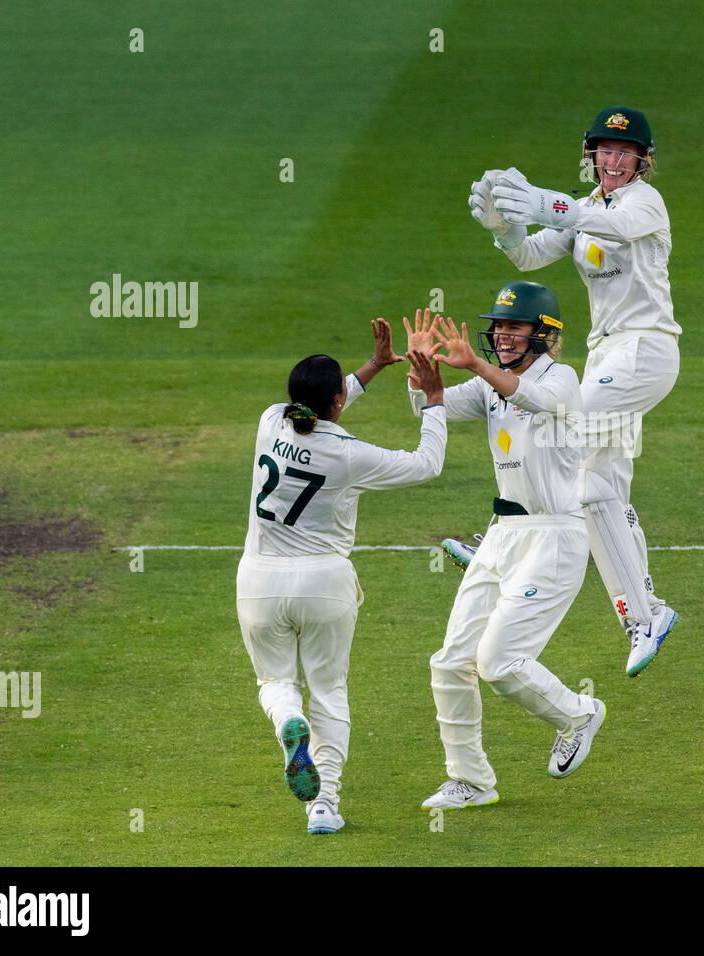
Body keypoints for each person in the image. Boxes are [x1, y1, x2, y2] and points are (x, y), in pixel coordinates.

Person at [461, 105, 681, 677]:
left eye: (623, 153)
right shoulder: (588, 210)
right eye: (603, 152)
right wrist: (504, 226)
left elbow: (613, 227)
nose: (612, 161)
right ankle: (646, 613)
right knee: (595, 487)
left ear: (641, 161)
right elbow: (530, 255)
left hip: (646, 349)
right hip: (609, 353)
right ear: (593, 157)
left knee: (556, 420)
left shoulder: (643, 204)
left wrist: (540, 201)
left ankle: (500, 542)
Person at [236, 318, 446, 834]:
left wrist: (371, 368)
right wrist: (435, 400)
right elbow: (427, 465)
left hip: (260, 582)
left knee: (276, 682)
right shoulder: (349, 456)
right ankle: (324, 805)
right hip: (326, 583)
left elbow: (320, 407)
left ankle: (290, 720)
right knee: (329, 690)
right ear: (335, 403)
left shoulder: (270, 421)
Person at [405, 288, 606, 811]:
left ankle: (578, 714)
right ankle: (470, 781)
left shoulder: (561, 379)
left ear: (544, 334)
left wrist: (475, 364)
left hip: (555, 537)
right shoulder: (490, 384)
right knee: (450, 662)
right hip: (502, 536)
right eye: (498, 328)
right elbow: (434, 409)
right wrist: (421, 372)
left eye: (513, 328)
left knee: (498, 662)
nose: (501, 336)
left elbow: (528, 396)